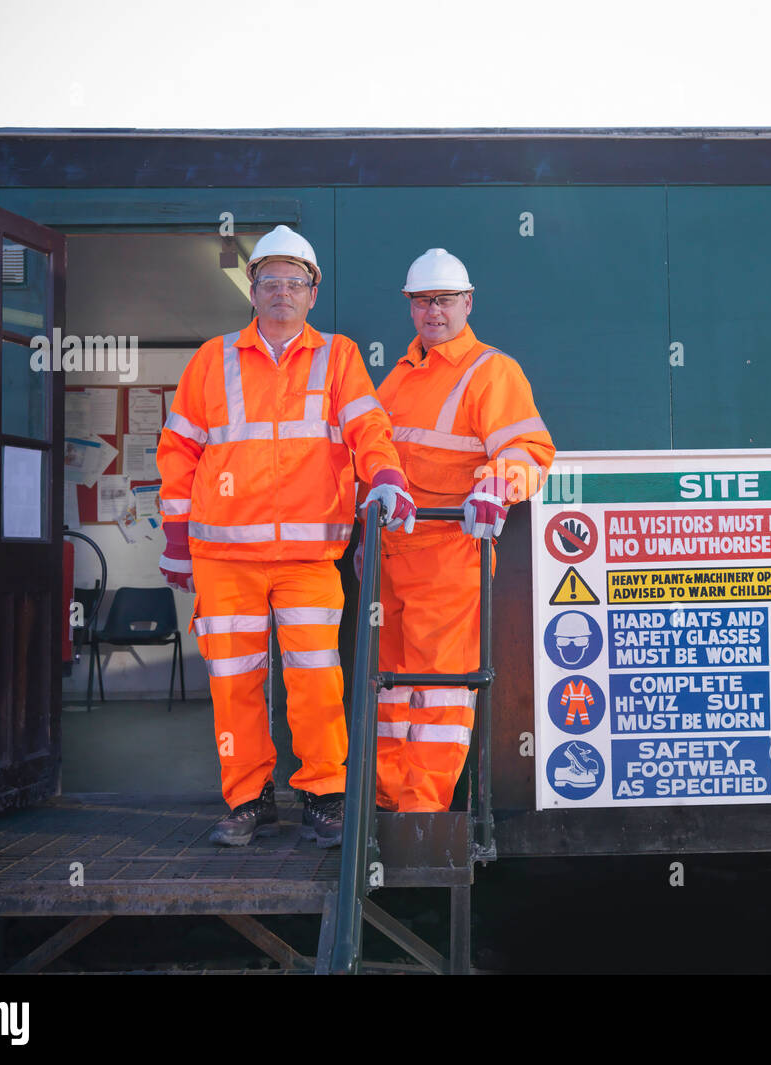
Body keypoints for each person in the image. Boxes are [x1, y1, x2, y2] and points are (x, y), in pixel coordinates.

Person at [157, 225, 415, 847]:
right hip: (224, 557)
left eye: (293, 283)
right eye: (269, 282)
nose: (281, 293)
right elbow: (178, 450)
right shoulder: (211, 359)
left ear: (312, 292)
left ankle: (324, 795)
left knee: (316, 680)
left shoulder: (339, 356)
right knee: (234, 681)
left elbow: (368, 426)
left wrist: (384, 474)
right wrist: (174, 540)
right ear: (252, 290)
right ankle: (248, 799)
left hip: (307, 556)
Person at [371, 248, 554, 813]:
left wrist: (495, 485)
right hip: (390, 554)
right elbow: (374, 457)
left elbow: (530, 451)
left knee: (443, 689)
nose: (434, 311)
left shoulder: (490, 371)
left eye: (445, 300)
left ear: (467, 303)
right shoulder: (398, 378)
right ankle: (384, 801)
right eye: (423, 301)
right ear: (410, 307)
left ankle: (421, 812)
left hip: (451, 554)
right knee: (391, 685)